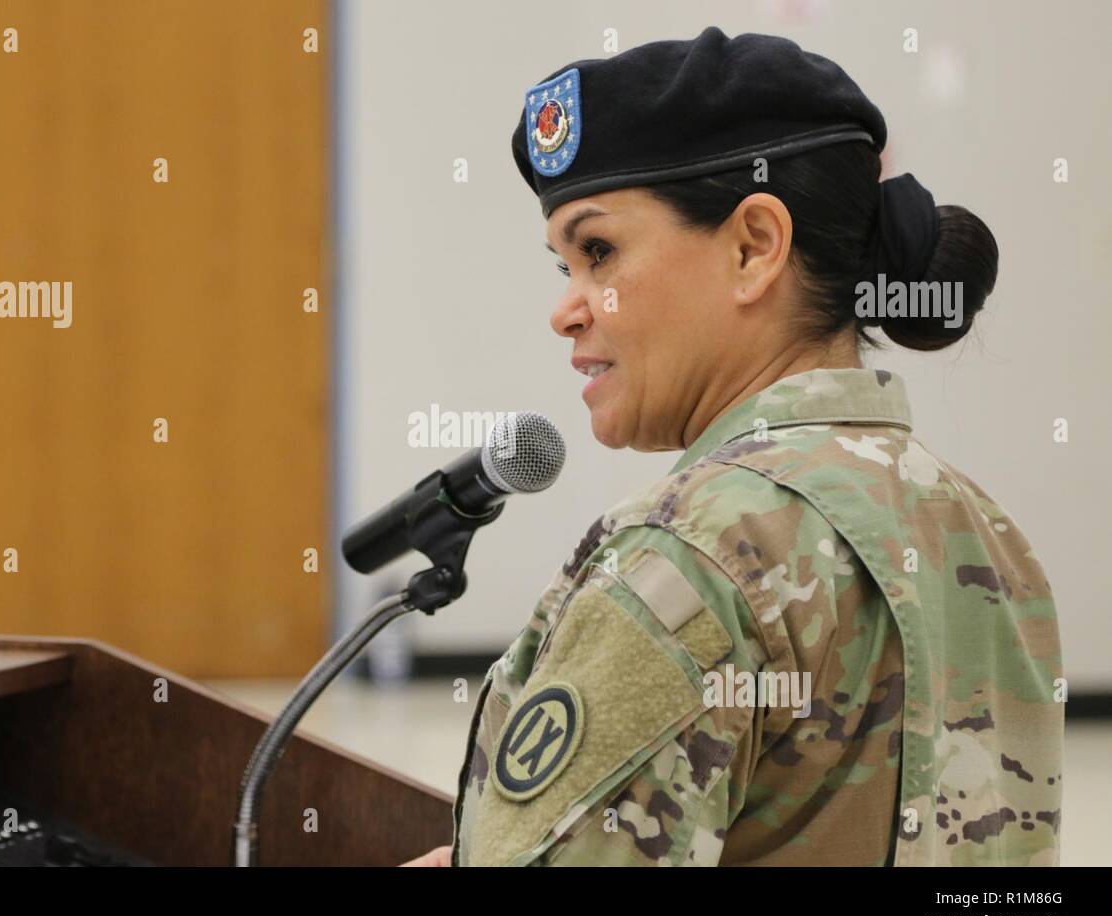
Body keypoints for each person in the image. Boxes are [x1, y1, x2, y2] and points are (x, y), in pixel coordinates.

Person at [404, 27, 1062, 867]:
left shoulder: (689, 558)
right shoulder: (990, 538)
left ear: (754, 247)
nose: (566, 310)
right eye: (565, 267)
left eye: (599, 251)